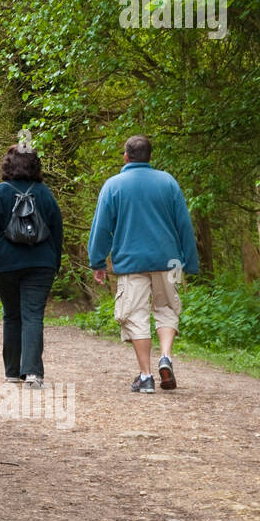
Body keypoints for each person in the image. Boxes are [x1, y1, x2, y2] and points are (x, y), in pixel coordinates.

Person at [87, 135, 199, 393]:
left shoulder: (113, 186)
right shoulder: (168, 182)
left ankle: (146, 376)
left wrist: (98, 262)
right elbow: (184, 225)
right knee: (167, 309)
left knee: (136, 315)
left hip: (130, 262)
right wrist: (190, 263)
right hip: (168, 261)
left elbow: (101, 227)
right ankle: (166, 358)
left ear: (126, 157)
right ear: (150, 157)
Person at [0, 145, 64, 388]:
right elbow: (57, 230)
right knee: (33, 315)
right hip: (40, 263)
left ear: (8, 165)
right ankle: (32, 373)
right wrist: (55, 261)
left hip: (5, 264)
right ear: (35, 166)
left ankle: (12, 371)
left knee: (12, 315)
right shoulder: (44, 193)